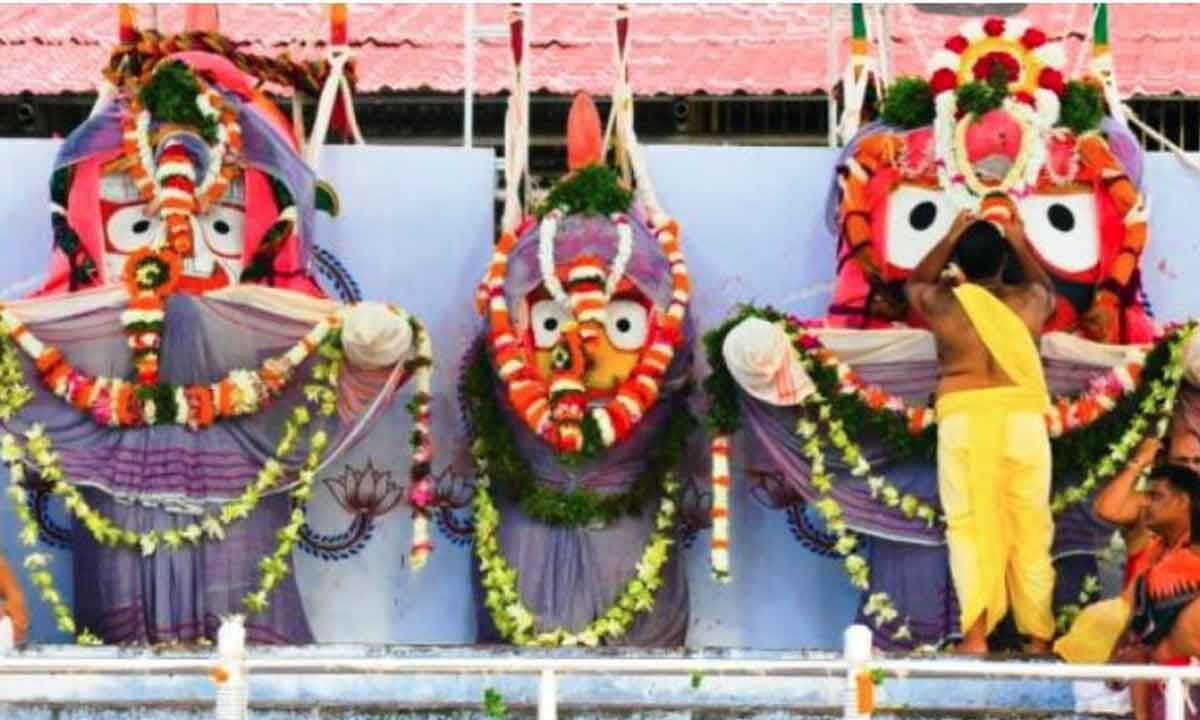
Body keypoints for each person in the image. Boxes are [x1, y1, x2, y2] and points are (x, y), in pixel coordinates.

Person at [905, 204, 1058, 654]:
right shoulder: (1029, 301)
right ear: (1003, 262)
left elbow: (914, 283)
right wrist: (1018, 239)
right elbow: (1048, 289)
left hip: (966, 416)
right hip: (1022, 419)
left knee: (969, 527)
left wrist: (951, 235)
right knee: (1030, 524)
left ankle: (975, 637)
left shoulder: (944, 301)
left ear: (960, 262)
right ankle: (1039, 638)